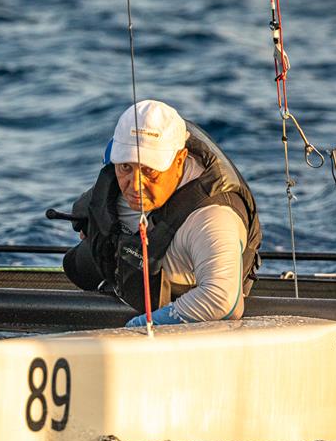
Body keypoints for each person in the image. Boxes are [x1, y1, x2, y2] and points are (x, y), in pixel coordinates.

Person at [63, 100, 261, 326]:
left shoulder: (213, 218)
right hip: (134, 261)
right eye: (126, 167)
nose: (136, 185)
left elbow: (223, 301)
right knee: (75, 265)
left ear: (179, 160)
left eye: (149, 170)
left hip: (183, 287)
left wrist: (138, 328)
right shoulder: (125, 175)